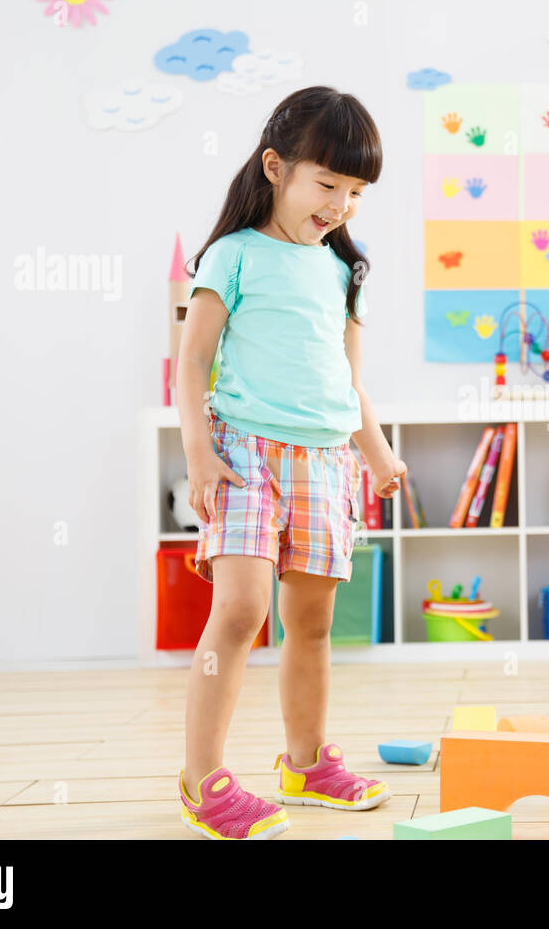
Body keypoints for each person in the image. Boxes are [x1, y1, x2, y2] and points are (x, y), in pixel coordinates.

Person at [174, 86, 405, 839]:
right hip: (243, 451)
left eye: (356, 191)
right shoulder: (232, 255)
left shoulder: (345, 270)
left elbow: (348, 378)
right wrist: (199, 454)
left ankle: (305, 763)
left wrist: (375, 451)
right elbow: (193, 361)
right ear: (276, 168)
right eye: (327, 184)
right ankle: (202, 779)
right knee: (240, 610)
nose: (340, 204)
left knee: (311, 622)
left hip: (324, 461)